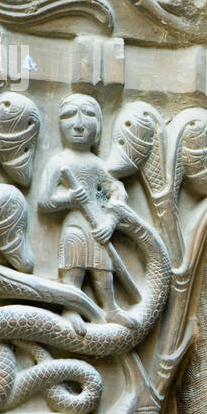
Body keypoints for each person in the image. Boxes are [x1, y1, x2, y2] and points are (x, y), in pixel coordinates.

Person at [37, 94, 128, 328]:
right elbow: (44, 201)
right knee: (73, 267)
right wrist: (68, 198)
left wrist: (110, 221)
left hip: (97, 224)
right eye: (69, 115)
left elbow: (118, 191)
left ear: (97, 128)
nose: (78, 124)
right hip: (75, 225)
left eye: (87, 116)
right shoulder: (58, 162)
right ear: (59, 126)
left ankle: (110, 308)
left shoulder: (96, 164)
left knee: (103, 268)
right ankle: (71, 309)